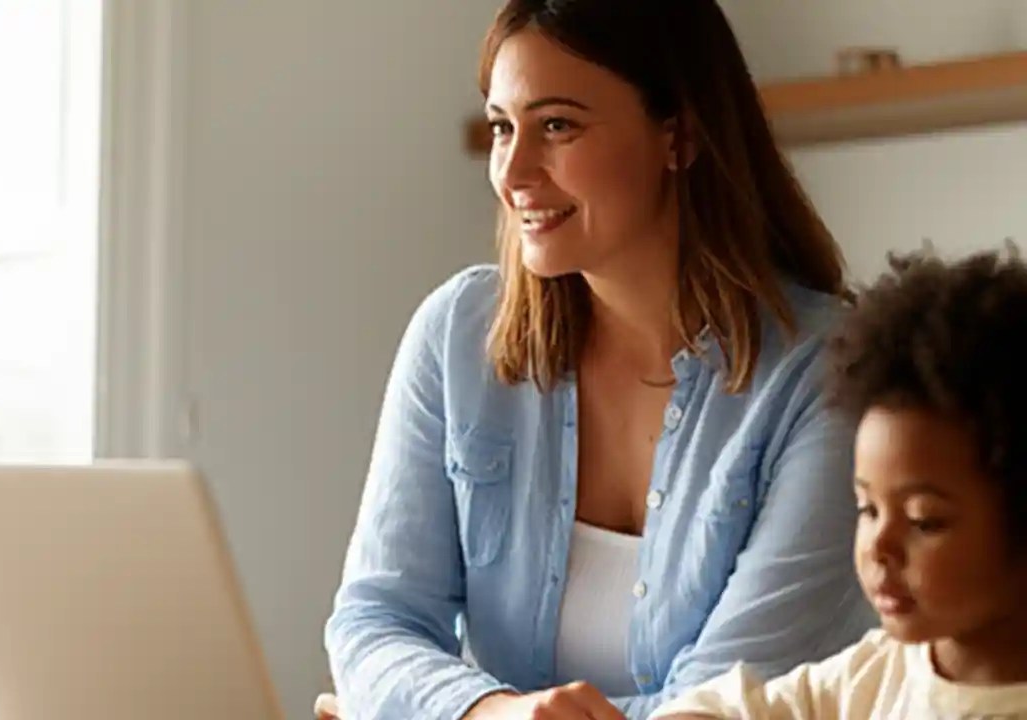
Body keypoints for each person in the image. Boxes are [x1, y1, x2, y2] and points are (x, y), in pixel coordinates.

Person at [323, 1, 876, 718]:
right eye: (501, 127)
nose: (513, 171)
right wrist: (491, 712)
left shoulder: (829, 374)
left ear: (678, 133)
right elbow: (374, 620)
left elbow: (731, 705)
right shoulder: (457, 336)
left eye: (557, 125)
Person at [650, 249, 1027, 719]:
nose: (879, 546)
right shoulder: (880, 671)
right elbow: (740, 707)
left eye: (924, 521)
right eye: (868, 509)